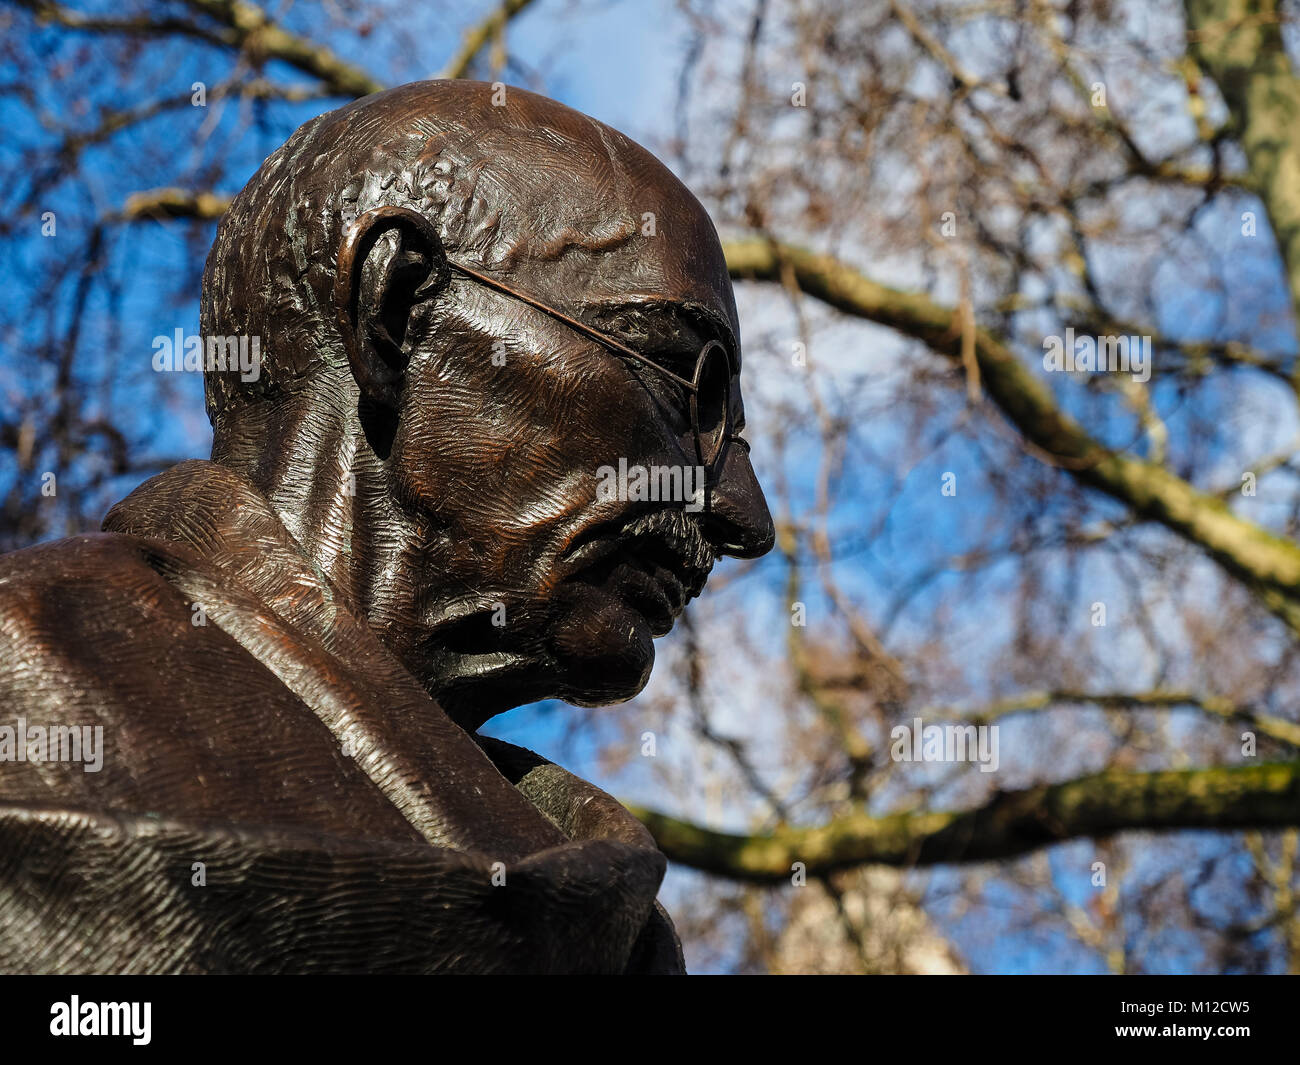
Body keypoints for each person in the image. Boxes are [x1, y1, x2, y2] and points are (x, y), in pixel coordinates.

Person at [0, 80, 774, 974]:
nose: (739, 515)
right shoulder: (32, 693)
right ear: (398, 312)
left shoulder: (612, 924)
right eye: (689, 385)